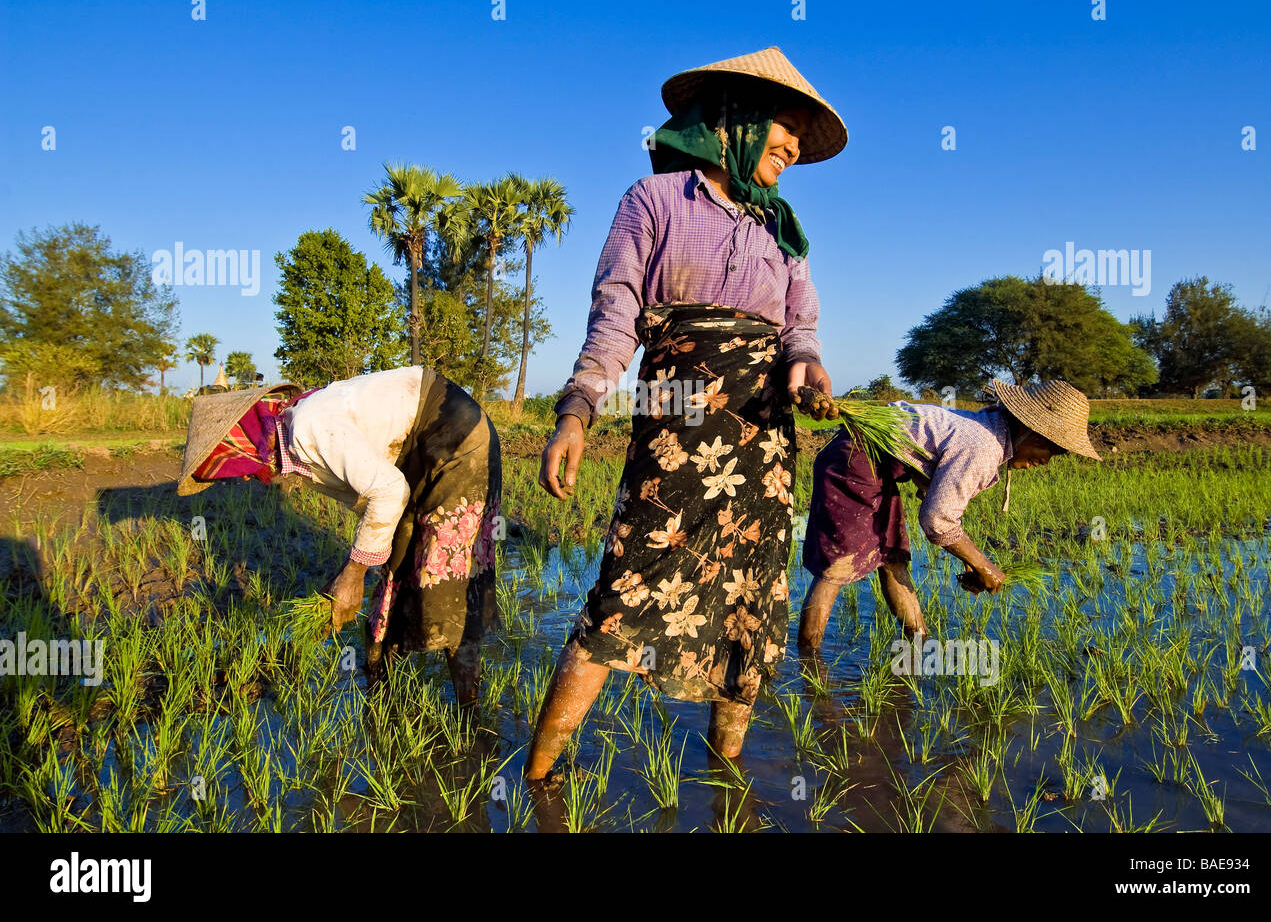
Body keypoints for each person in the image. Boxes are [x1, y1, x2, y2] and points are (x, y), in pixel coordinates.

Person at [525, 46, 849, 783]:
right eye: (786, 129)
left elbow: (800, 330)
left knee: (748, 604)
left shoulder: (785, 233)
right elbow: (615, 316)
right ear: (734, 117)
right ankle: (538, 773)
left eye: (802, 139)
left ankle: (724, 778)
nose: (794, 149)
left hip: (763, 442)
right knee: (622, 596)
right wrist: (577, 410)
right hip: (673, 437)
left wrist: (809, 368)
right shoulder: (654, 201)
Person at [176, 366, 501, 704]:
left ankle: (469, 713)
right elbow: (379, 505)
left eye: (238, 468)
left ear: (246, 445)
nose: (244, 479)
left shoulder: (307, 428)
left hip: (456, 437)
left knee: (447, 577)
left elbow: (388, 492)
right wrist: (348, 573)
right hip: (418, 452)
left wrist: (354, 573)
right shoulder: (295, 437)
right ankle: (378, 688)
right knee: (398, 566)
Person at [798, 379, 1101, 648]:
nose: (1047, 461)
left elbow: (932, 477)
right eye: (1053, 450)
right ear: (1029, 431)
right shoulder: (984, 446)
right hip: (853, 461)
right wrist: (983, 565)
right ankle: (809, 662)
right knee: (836, 567)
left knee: (892, 558)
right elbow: (936, 520)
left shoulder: (989, 430)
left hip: (874, 465)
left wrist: (971, 560)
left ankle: (919, 644)